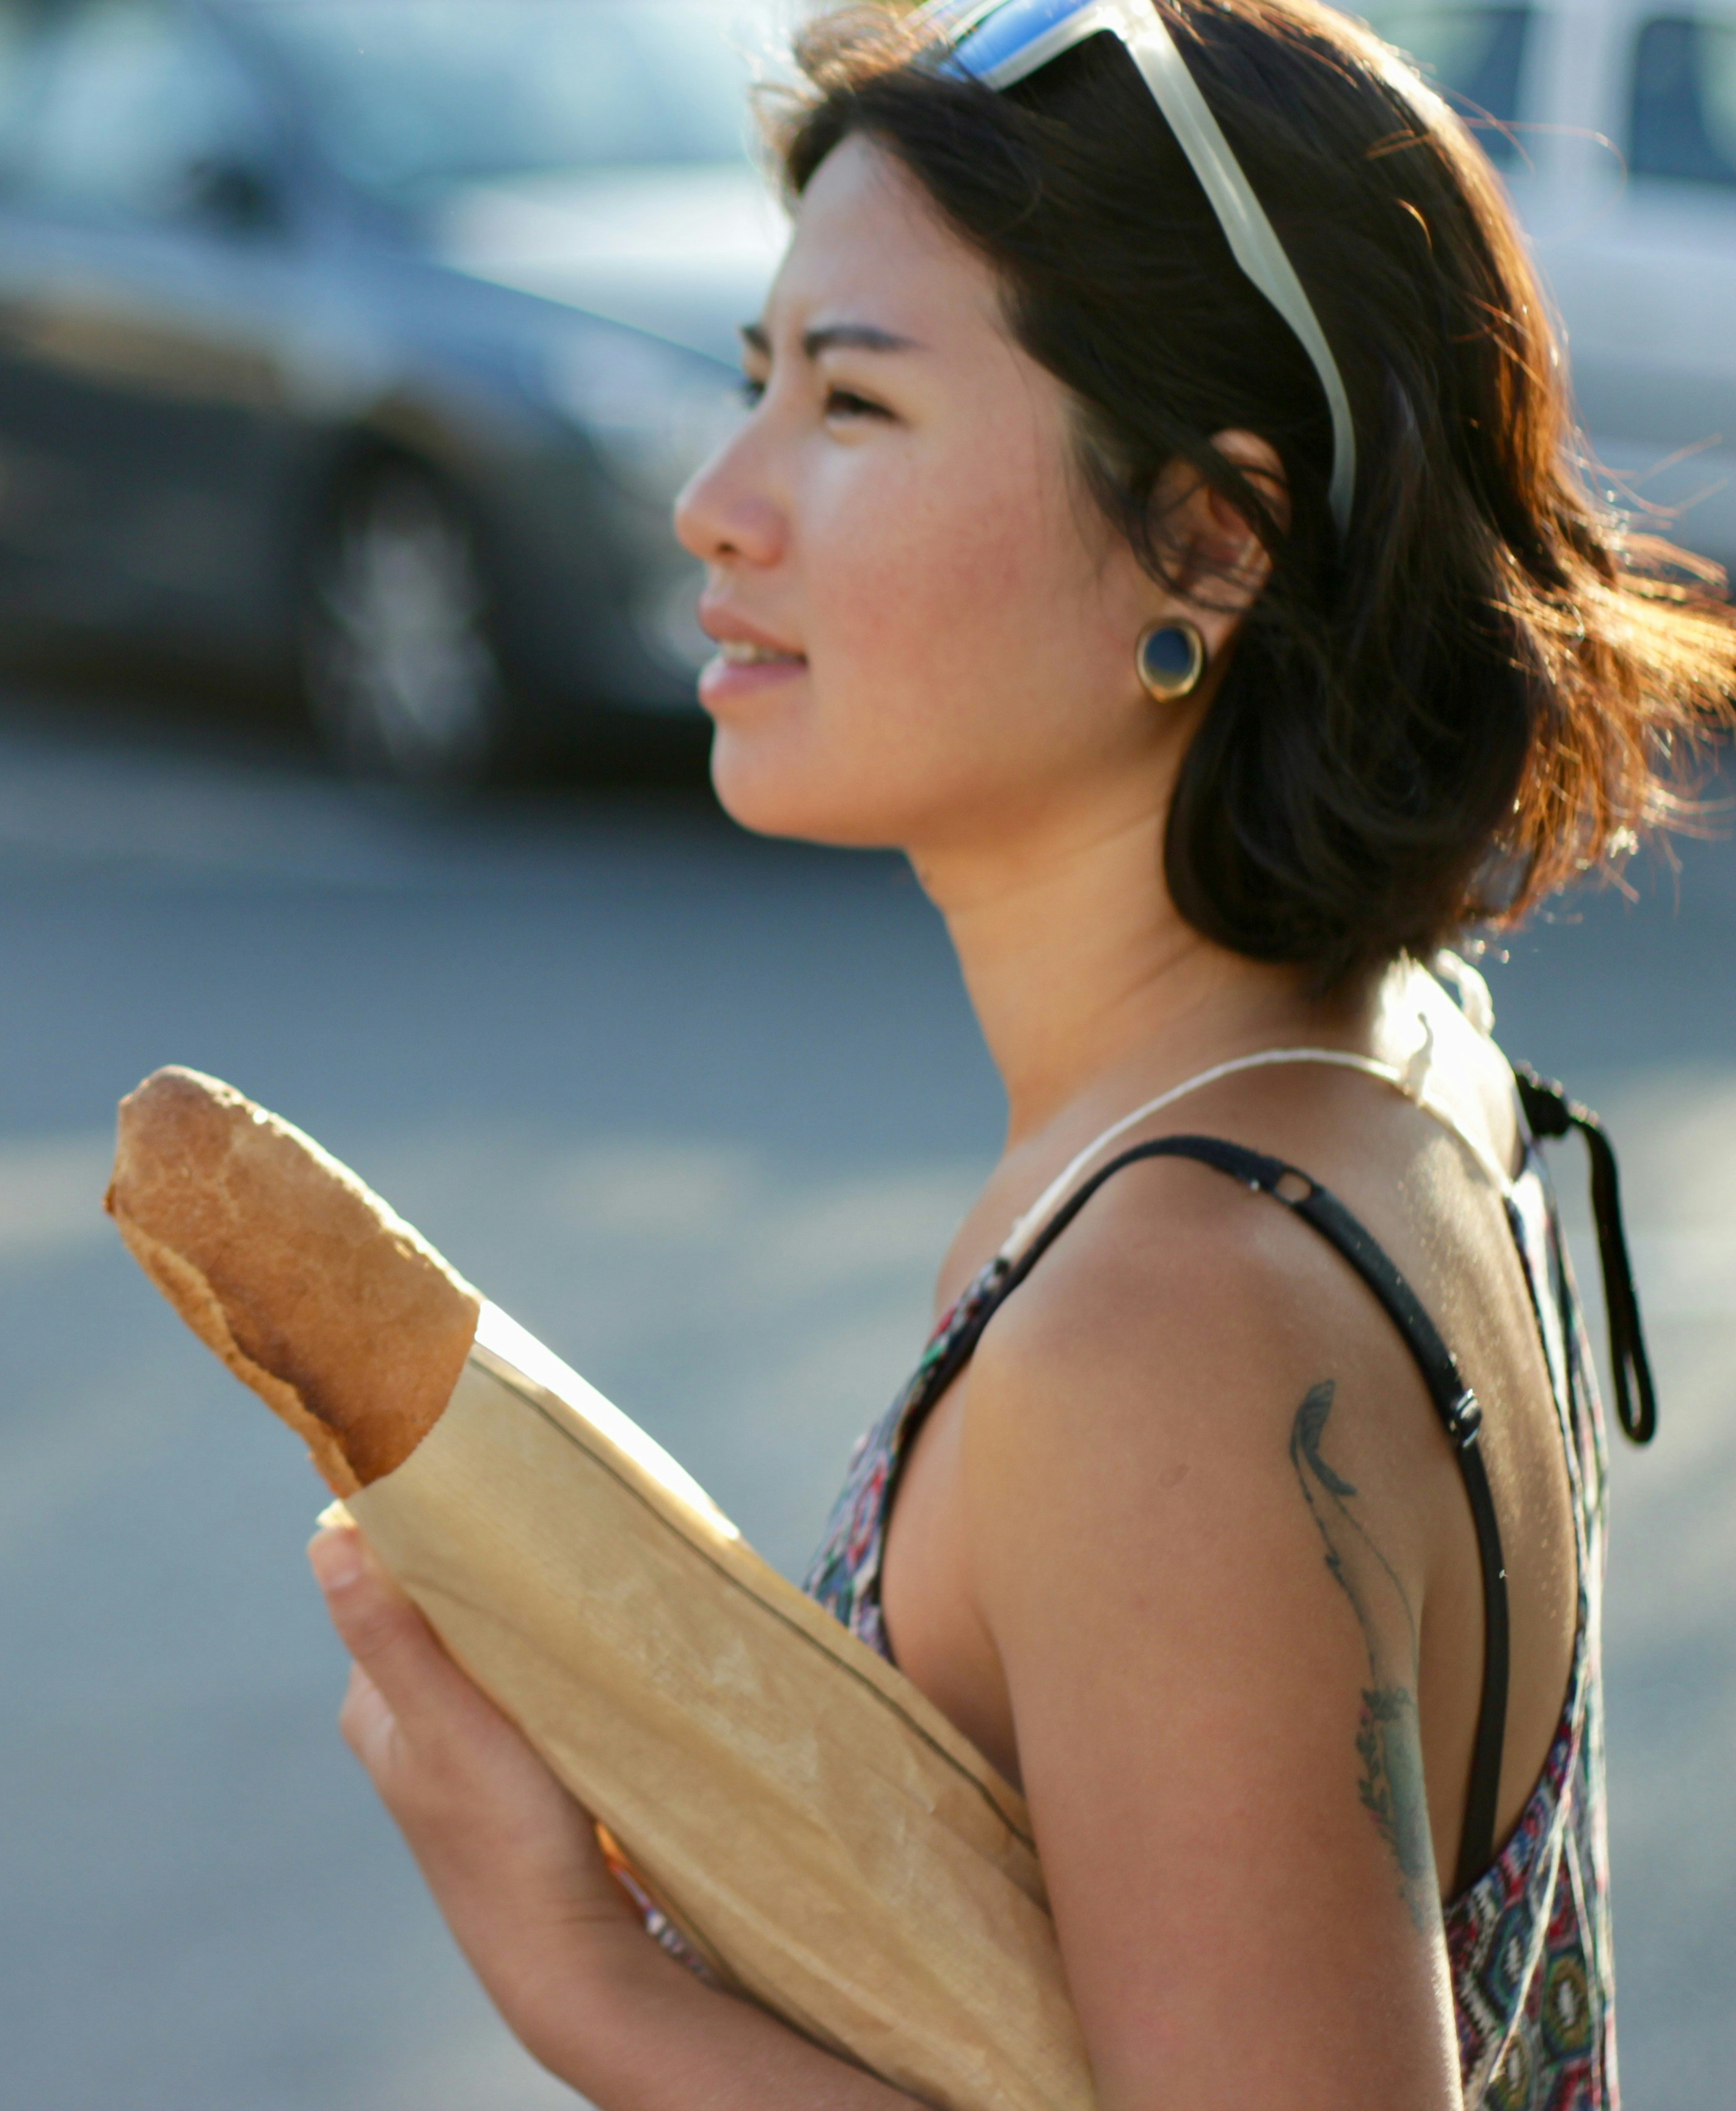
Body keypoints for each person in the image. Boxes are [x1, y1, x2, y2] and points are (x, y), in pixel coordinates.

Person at [300, 0, 1736, 2103]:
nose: (715, 503)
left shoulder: (1178, 1319)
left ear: (1211, 539)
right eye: (755, 381)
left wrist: (585, 1976)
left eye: (854, 404)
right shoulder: (1377, 1065)